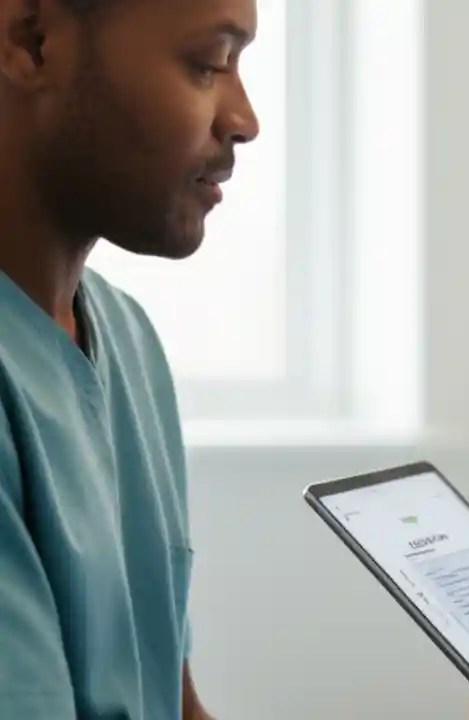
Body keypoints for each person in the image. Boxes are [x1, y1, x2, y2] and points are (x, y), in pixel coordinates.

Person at [0, 0, 259, 717]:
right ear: (34, 41)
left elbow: (171, 701)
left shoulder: (126, 336)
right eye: (209, 63)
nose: (244, 119)